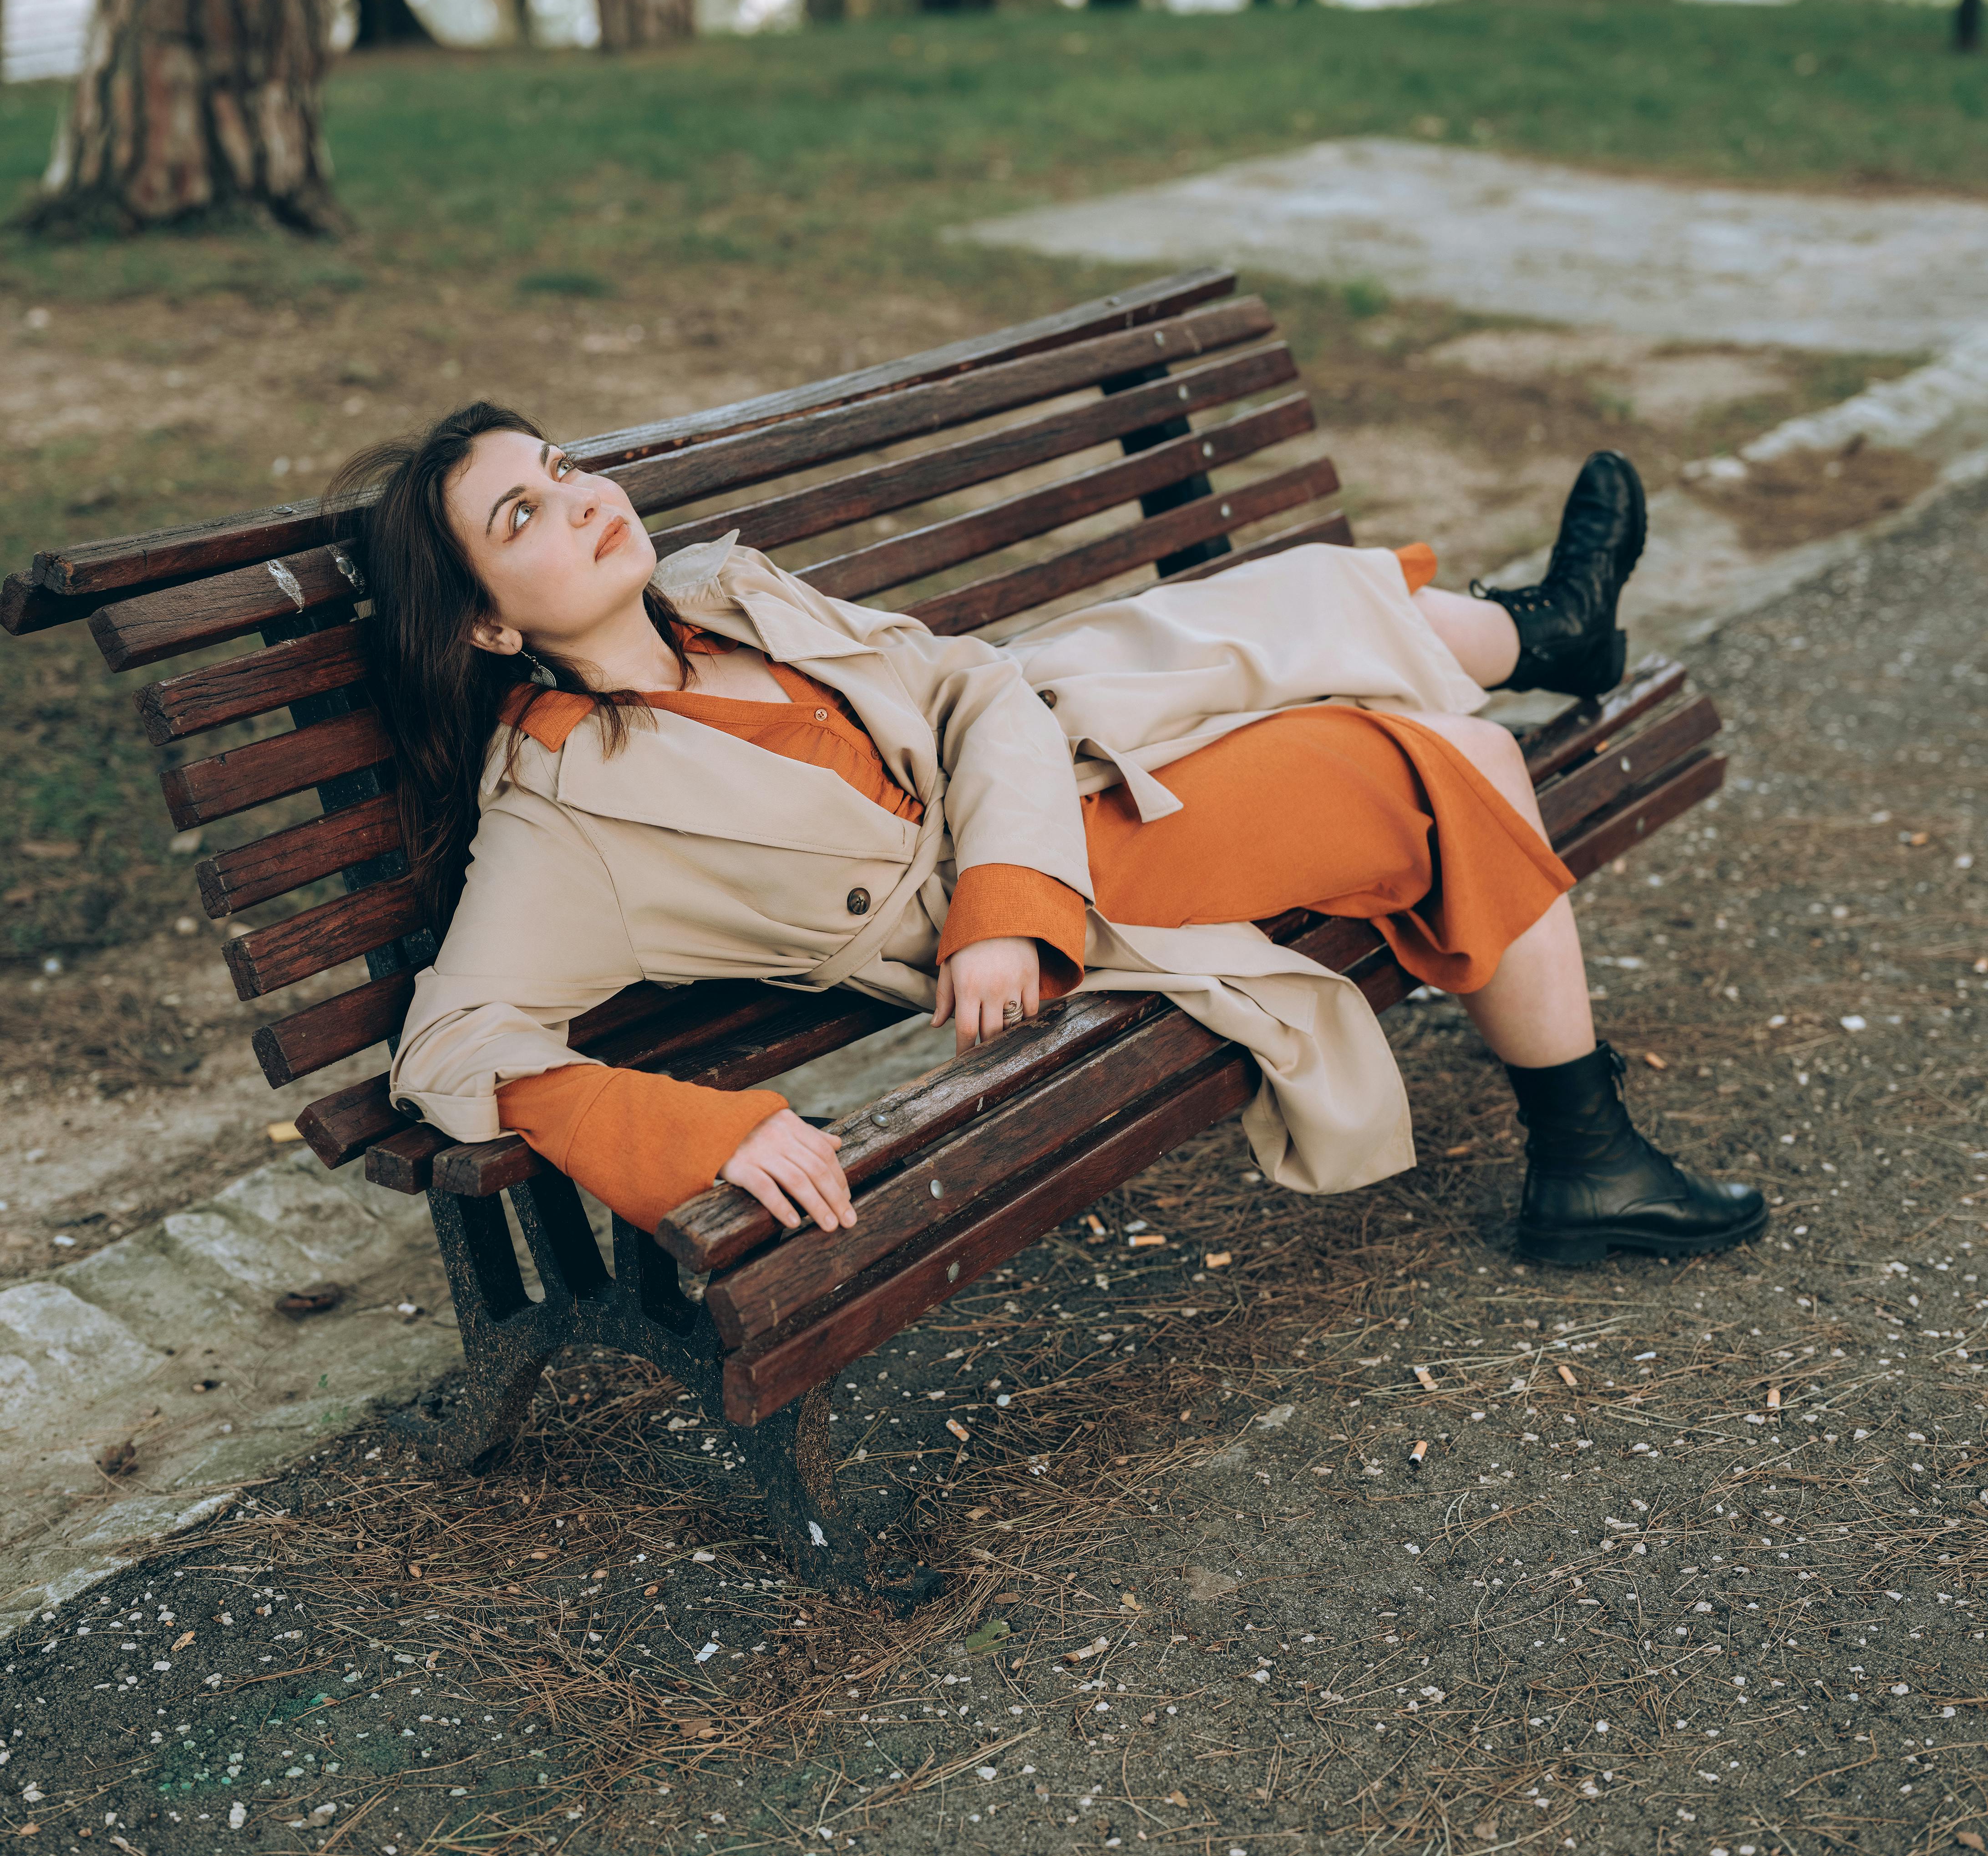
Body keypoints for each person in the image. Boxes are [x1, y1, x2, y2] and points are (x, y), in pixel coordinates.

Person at [353, 405, 1764, 1274]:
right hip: (1082, 876)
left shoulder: (718, 591)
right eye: (526, 512)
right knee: (1441, 758)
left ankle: (1549, 630)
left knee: (1284, 605)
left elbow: (965, 683)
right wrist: (702, 1131)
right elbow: (455, 1044)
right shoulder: (564, 815)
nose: (590, 498)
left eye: (565, 464)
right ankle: (1587, 1159)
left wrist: (1001, 891)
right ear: (488, 624)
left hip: (1032, 778)